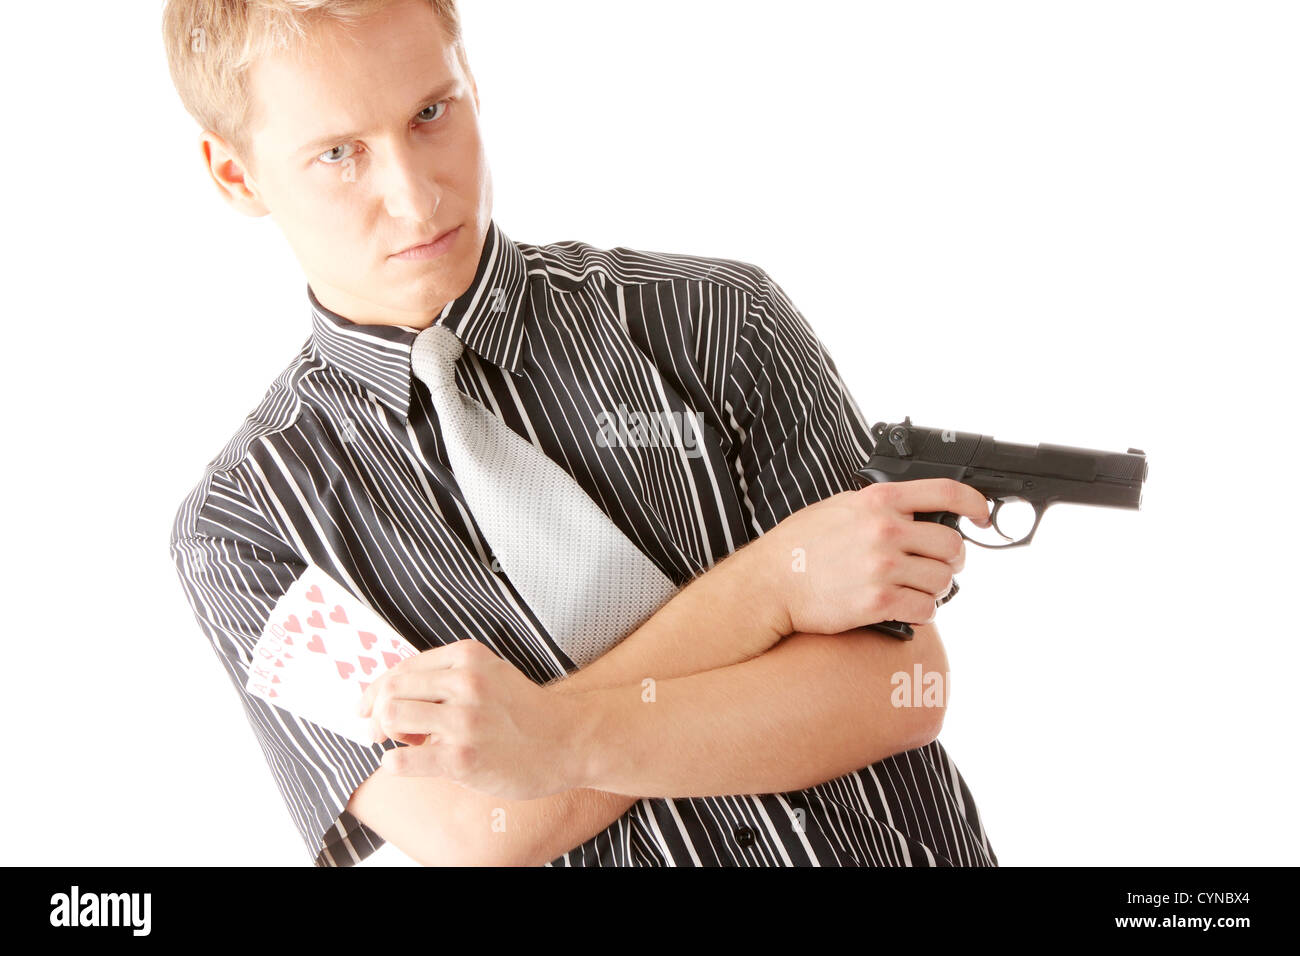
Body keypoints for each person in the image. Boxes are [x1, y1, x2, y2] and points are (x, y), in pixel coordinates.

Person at [162, 0, 997, 867]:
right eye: (339, 154)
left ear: (472, 83)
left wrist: (540, 742)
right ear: (235, 175)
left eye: (430, 113)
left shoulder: (718, 322)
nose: (415, 197)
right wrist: (768, 594)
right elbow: (471, 828)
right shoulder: (248, 529)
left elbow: (899, 689)